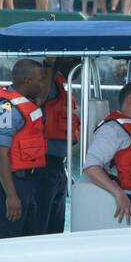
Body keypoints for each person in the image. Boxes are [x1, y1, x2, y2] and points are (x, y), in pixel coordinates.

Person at [0, 58, 48, 240]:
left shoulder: (25, 102)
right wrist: (11, 195)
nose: (43, 84)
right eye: (40, 79)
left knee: (28, 239)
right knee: (6, 239)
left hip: (24, 181)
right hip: (6, 184)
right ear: (27, 81)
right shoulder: (6, 109)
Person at [82, 81, 131, 226]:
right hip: (130, 205)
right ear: (130, 102)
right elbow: (91, 167)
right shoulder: (113, 130)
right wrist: (118, 194)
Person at [33, 58, 80, 235]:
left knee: (55, 225)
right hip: (43, 166)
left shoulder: (62, 86)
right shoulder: (48, 86)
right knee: (41, 223)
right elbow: (41, 96)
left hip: (59, 167)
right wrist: (52, 63)